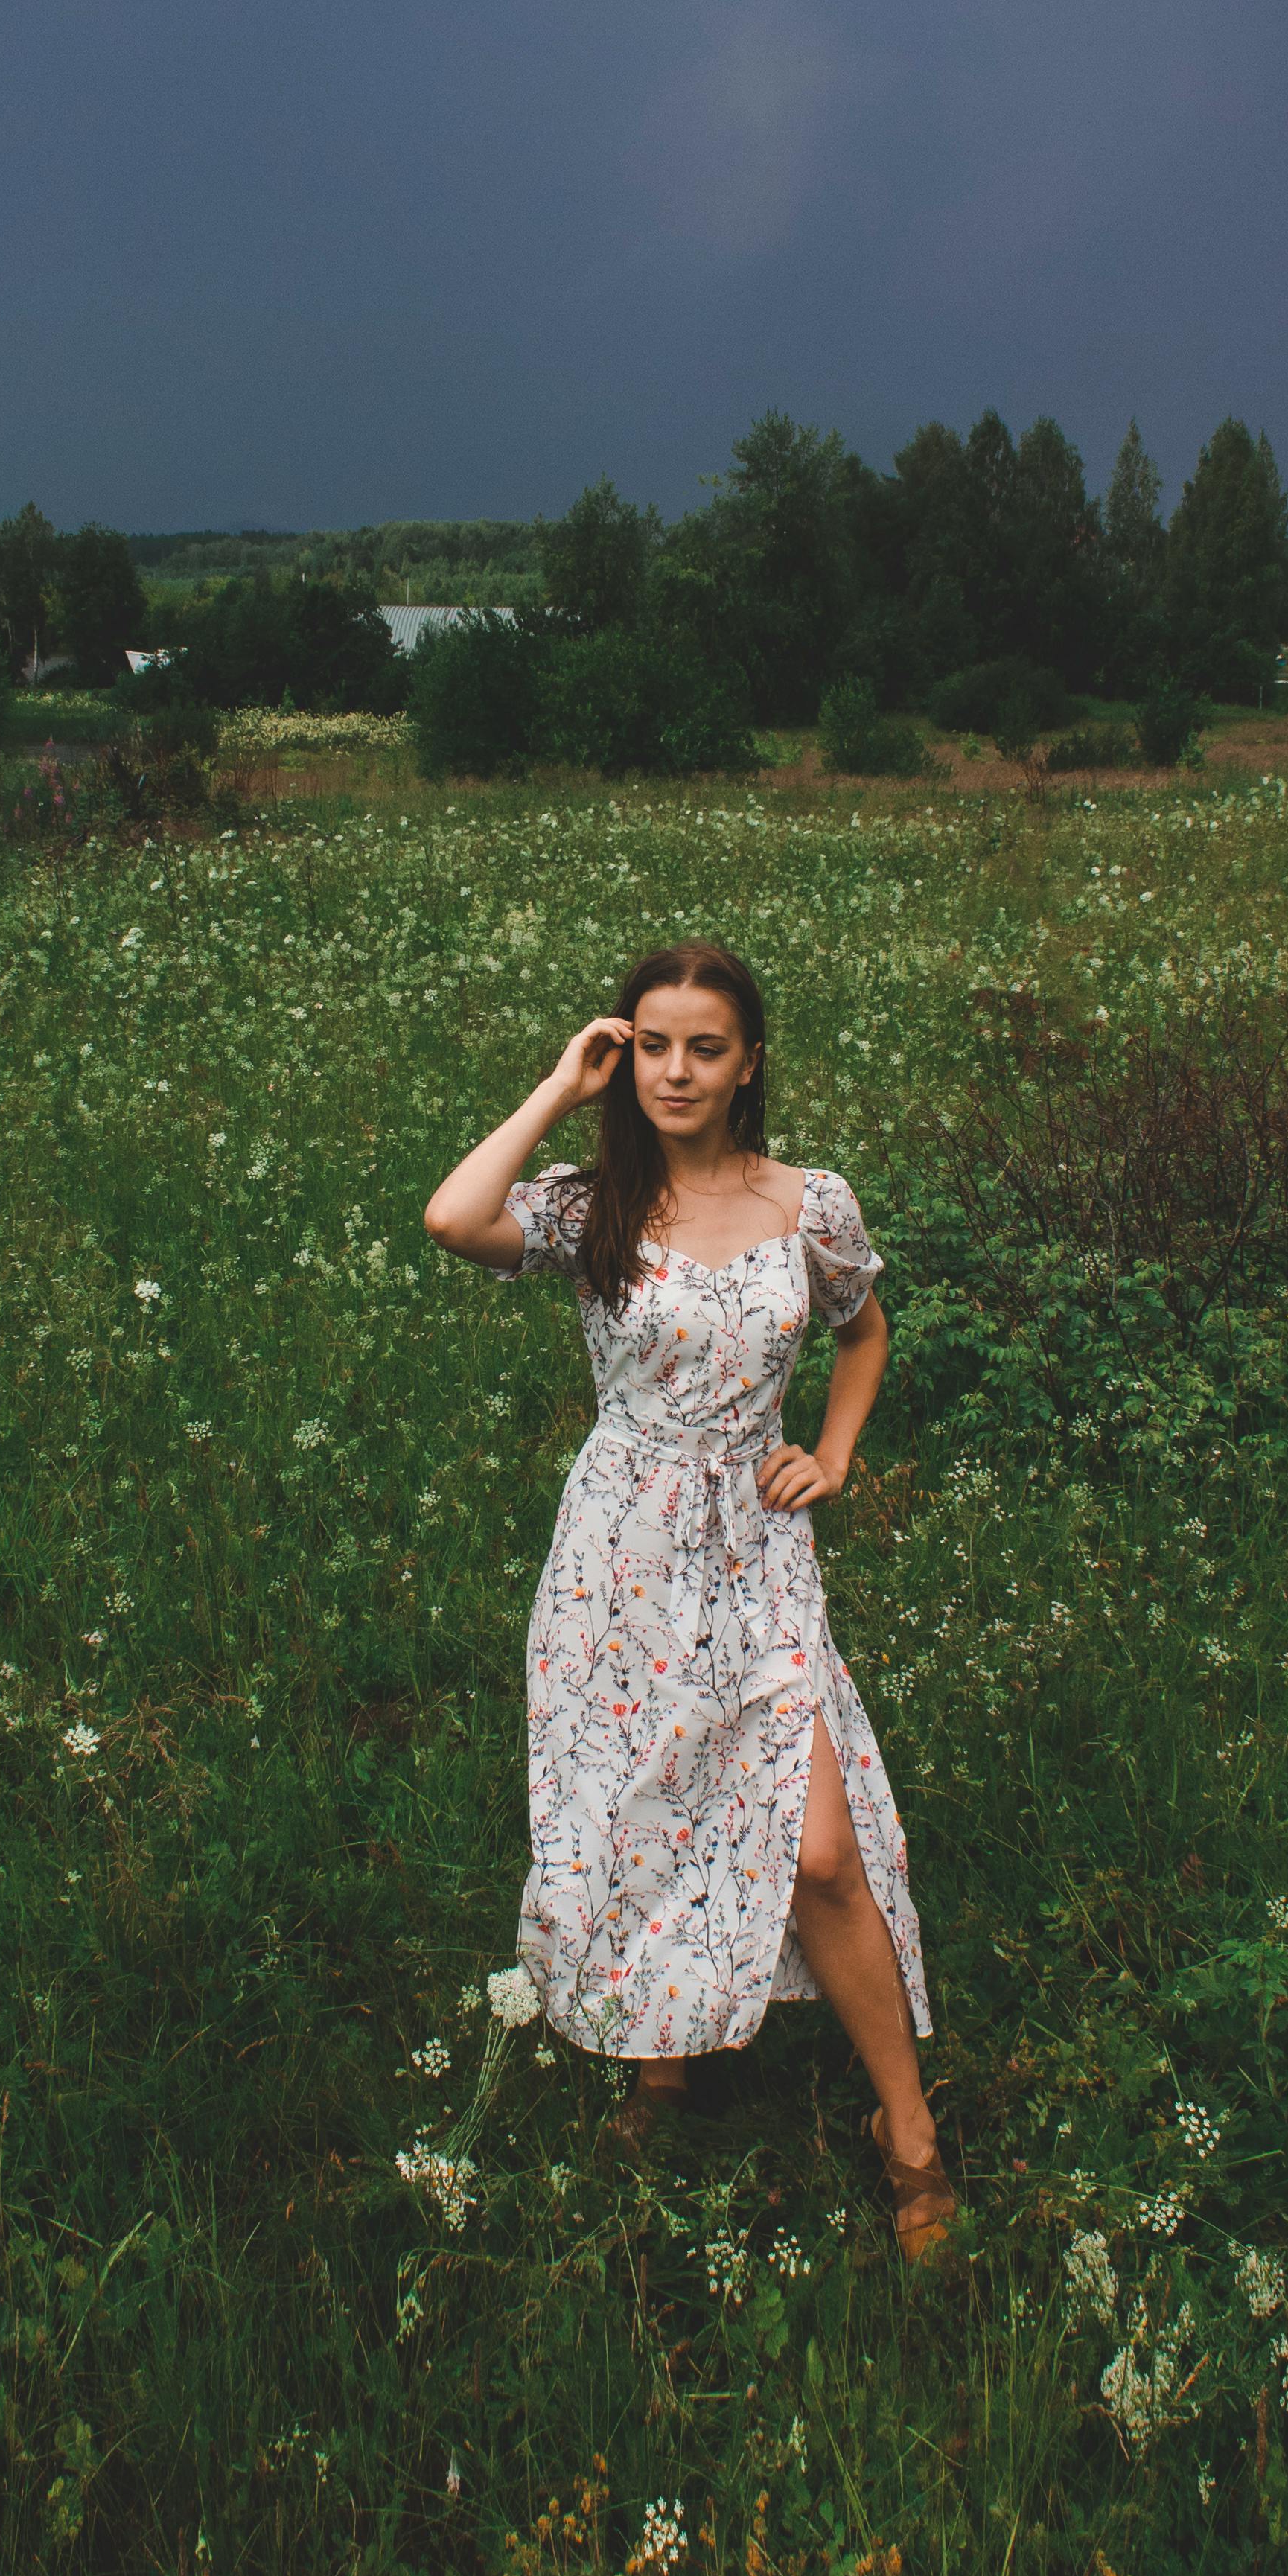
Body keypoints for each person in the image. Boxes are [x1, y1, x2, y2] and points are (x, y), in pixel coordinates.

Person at [424, 937, 954, 2260]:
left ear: (748, 1063)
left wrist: (834, 1453)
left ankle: (910, 2134)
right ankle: (666, 2062)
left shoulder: (809, 1203)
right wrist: (562, 1085)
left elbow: (865, 1328)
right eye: (651, 1045)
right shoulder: (593, 1205)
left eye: (704, 1048)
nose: (673, 1071)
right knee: (646, 1808)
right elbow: (452, 1218)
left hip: (756, 1546)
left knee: (818, 1848)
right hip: (620, 1554)